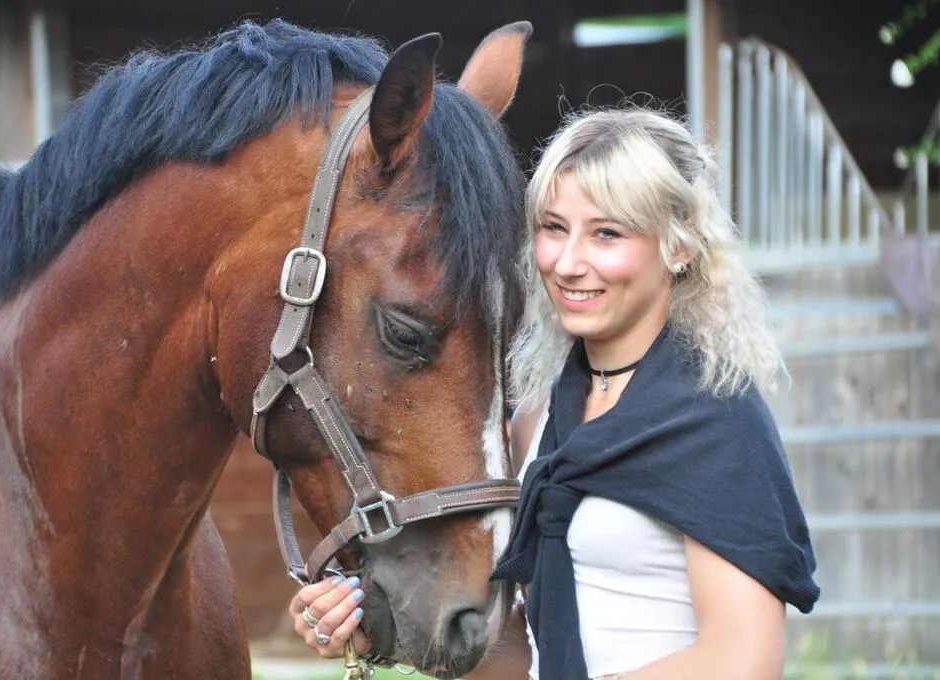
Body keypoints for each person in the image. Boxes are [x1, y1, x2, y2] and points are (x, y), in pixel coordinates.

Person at [286, 106, 820, 680]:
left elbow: (742, 662)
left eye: (606, 234)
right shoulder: (541, 418)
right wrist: (379, 626)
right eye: (553, 228)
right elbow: (534, 656)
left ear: (680, 247)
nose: (567, 263)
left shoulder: (716, 422)